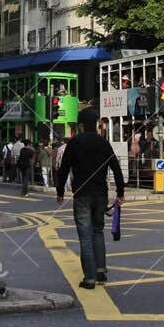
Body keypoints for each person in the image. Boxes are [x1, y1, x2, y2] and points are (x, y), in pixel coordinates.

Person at [56, 108, 126, 289]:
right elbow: (115, 167)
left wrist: (60, 191)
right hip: (100, 194)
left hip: (82, 195)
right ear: (95, 124)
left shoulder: (74, 143)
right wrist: (120, 192)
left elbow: (63, 168)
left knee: (85, 236)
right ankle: (101, 271)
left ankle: (89, 277)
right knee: (98, 231)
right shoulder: (103, 143)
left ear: (80, 125)